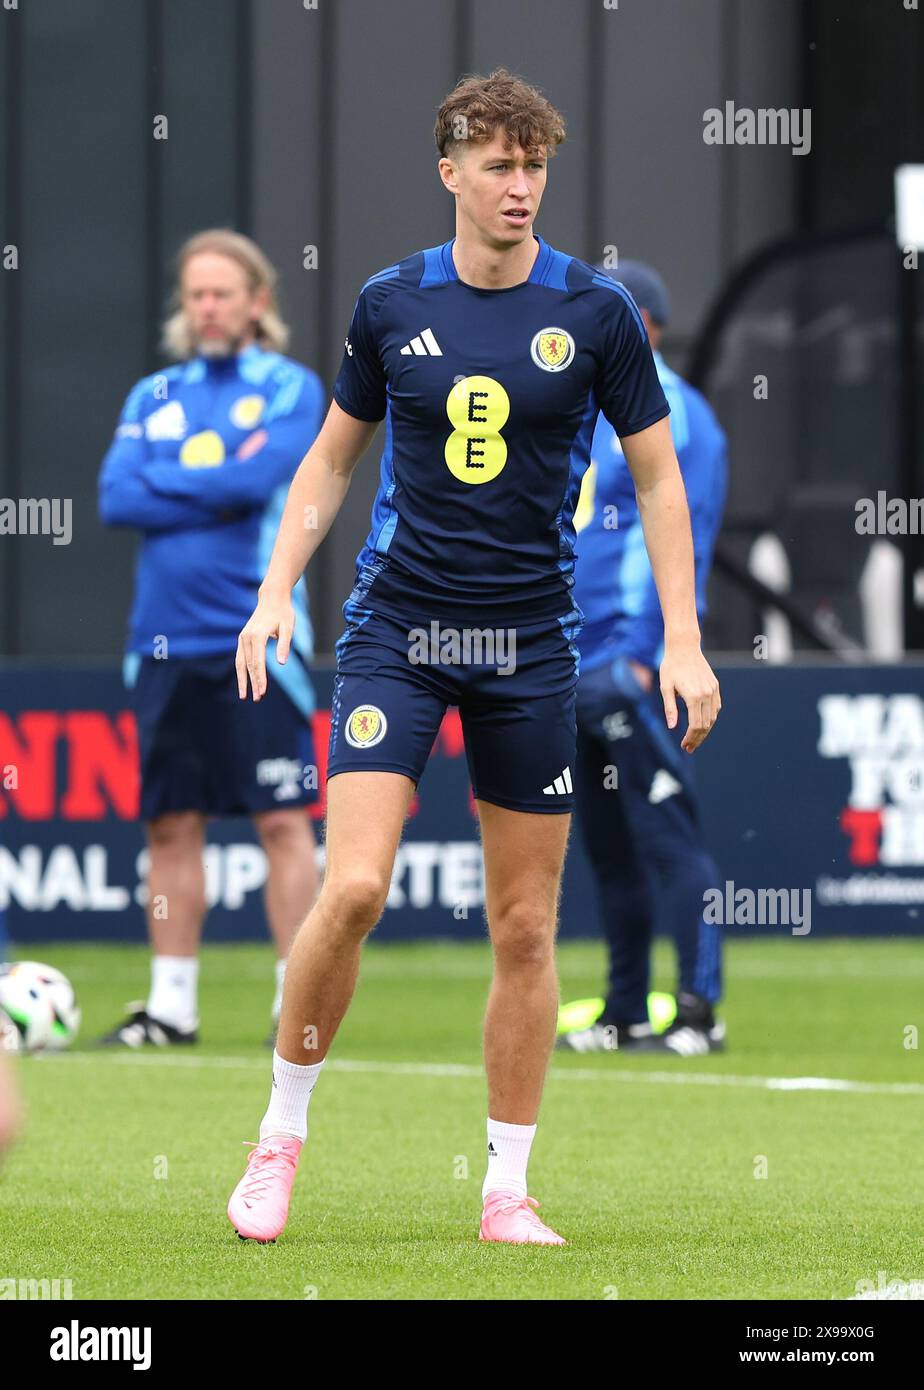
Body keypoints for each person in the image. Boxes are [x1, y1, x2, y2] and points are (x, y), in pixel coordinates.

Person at [226, 69, 721, 1247]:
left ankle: (506, 1188)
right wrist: (271, 596)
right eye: (497, 165)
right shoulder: (391, 301)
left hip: (531, 648)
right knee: (353, 889)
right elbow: (332, 461)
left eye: (534, 165)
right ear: (449, 172)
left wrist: (687, 642)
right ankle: (279, 1136)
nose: (519, 185)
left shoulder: (596, 313)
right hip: (399, 634)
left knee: (527, 927)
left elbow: (658, 477)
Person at [98, 230, 325, 1047]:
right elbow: (116, 497)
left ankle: (293, 998)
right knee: (170, 824)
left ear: (258, 300)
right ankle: (171, 1007)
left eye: (223, 293)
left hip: (257, 639)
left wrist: (182, 481)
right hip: (161, 642)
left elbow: (263, 479)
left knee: (282, 818)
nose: (207, 308)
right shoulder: (153, 393)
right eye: (195, 294)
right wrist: (212, 486)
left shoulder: (289, 388)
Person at [560, 261, 728, 1057]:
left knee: (667, 836)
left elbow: (679, 533)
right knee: (607, 844)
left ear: (648, 323)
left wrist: (645, 653)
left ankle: (699, 1011)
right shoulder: (584, 401)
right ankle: (626, 1007)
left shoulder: (674, 411)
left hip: (634, 662)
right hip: (570, 660)